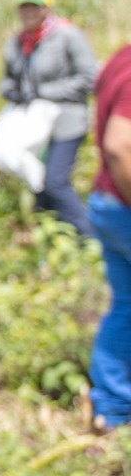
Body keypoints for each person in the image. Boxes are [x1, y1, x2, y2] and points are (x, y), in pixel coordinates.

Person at [0, 0, 98, 237]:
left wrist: (46, 92)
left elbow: (89, 77)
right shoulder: (17, 43)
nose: (29, 12)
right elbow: (9, 78)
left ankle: (91, 238)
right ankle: (52, 240)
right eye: (24, 7)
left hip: (67, 121)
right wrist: (11, 91)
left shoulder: (67, 36)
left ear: (46, 8)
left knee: (55, 181)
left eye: (35, 6)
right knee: (37, 183)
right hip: (34, 126)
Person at [86, 43, 131, 432]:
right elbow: (118, 145)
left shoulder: (121, 57)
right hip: (124, 203)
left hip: (106, 202)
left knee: (126, 304)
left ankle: (113, 408)